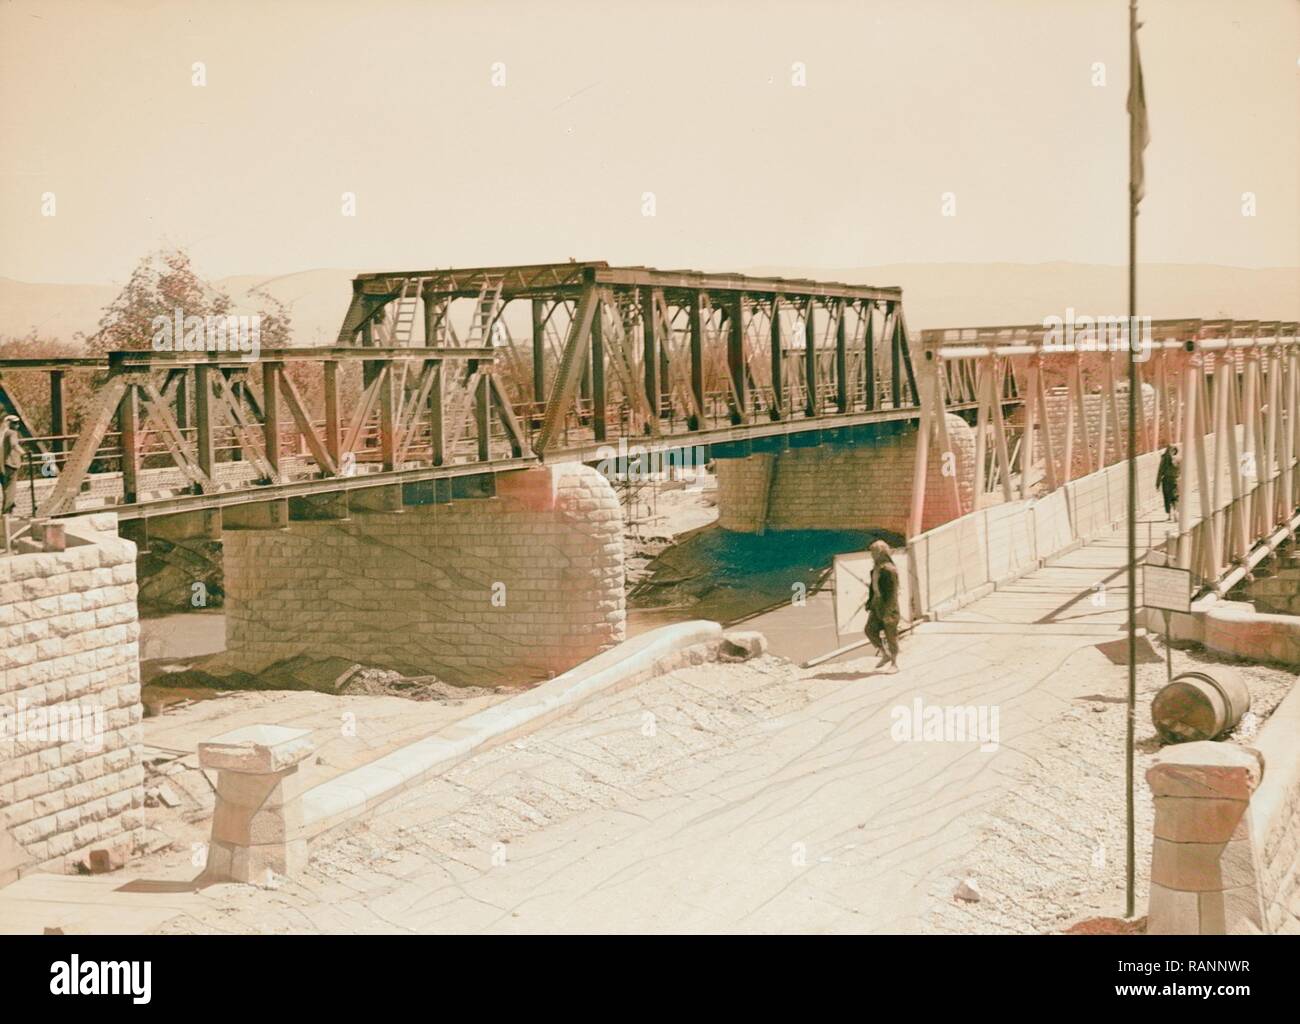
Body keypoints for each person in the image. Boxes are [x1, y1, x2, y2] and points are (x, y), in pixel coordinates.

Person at [864, 539, 901, 671]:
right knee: (869, 630)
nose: (872, 555)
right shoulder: (875, 569)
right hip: (877, 605)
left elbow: (892, 593)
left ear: (881, 553)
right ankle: (885, 654)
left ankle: (894, 663)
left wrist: (888, 612)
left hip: (888, 607)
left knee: (891, 635)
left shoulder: (889, 570)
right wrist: (870, 602)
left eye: (874, 552)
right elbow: (873, 588)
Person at [0, 413, 25, 517]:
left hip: (2, 465)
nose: (17, 425)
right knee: (10, 488)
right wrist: (24, 453)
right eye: (15, 423)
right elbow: (14, 444)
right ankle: (6, 513)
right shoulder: (11, 433)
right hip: (10, 464)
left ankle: (7, 510)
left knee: (5, 488)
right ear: (9, 423)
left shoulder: (2, 433)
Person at [1156, 444, 1180, 521]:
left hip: (1166, 481)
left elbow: (1160, 471)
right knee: (1174, 497)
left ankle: (1169, 515)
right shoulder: (1177, 459)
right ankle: (1175, 512)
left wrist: (1157, 483)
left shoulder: (1164, 459)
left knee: (1167, 497)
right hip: (1174, 480)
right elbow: (1180, 471)